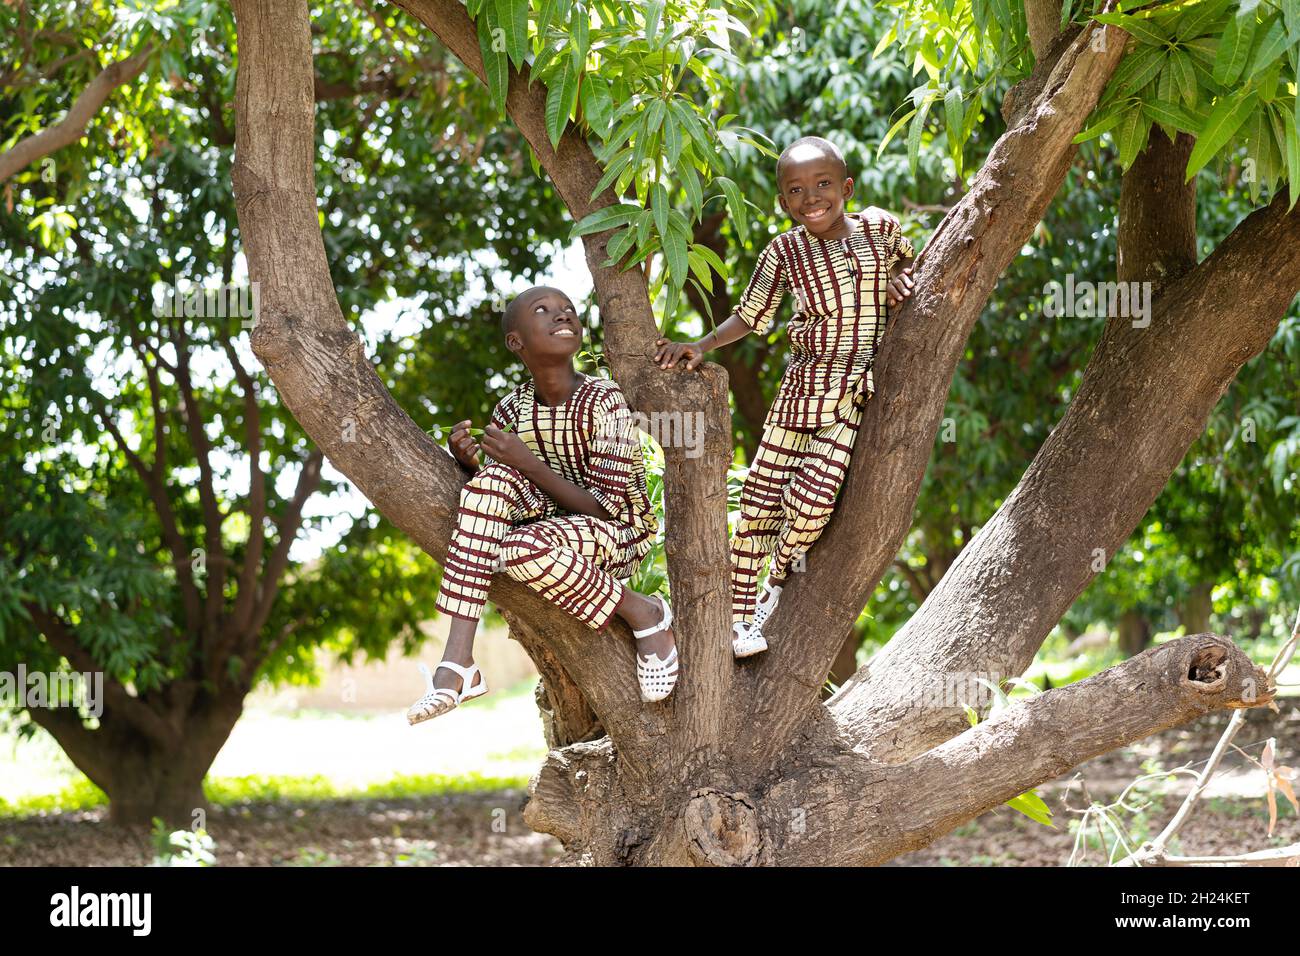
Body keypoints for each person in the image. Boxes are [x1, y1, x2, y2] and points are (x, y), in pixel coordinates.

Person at [653, 136, 917, 657]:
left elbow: (908, 263)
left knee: (814, 503)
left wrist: (896, 277)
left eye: (823, 184)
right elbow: (750, 316)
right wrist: (701, 345)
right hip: (803, 386)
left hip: (854, 392)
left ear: (846, 188)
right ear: (783, 202)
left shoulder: (880, 229)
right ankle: (737, 621)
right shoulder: (784, 252)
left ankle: (775, 581)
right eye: (796, 190)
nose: (811, 198)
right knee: (759, 502)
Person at [407, 286, 678, 725]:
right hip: (548, 532)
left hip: (618, 533)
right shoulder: (511, 409)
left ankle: (643, 610)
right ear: (516, 342)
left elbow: (605, 510)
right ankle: (458, 660)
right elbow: (499, 503)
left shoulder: (605, 400)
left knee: (514, 551)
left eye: (568, 309)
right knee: (493, 488)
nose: (562, 315)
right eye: (543, 310)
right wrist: (470, 466)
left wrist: (527, 462)